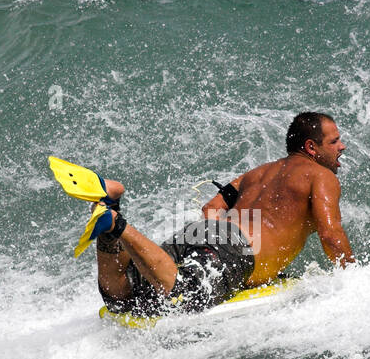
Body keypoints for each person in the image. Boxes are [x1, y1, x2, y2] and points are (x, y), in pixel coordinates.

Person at [91, 112, 356, 315]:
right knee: (185, 298)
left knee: (125, 299)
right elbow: (330, 234)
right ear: (311, 147)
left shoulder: (258, 172)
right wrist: (354, 281)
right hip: (235, 247)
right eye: (334, 141)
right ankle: (118, 224)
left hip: (203, 232)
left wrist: (214, 244)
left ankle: (110, 207)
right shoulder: (321, 176)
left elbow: (211, 209)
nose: (341, 146)